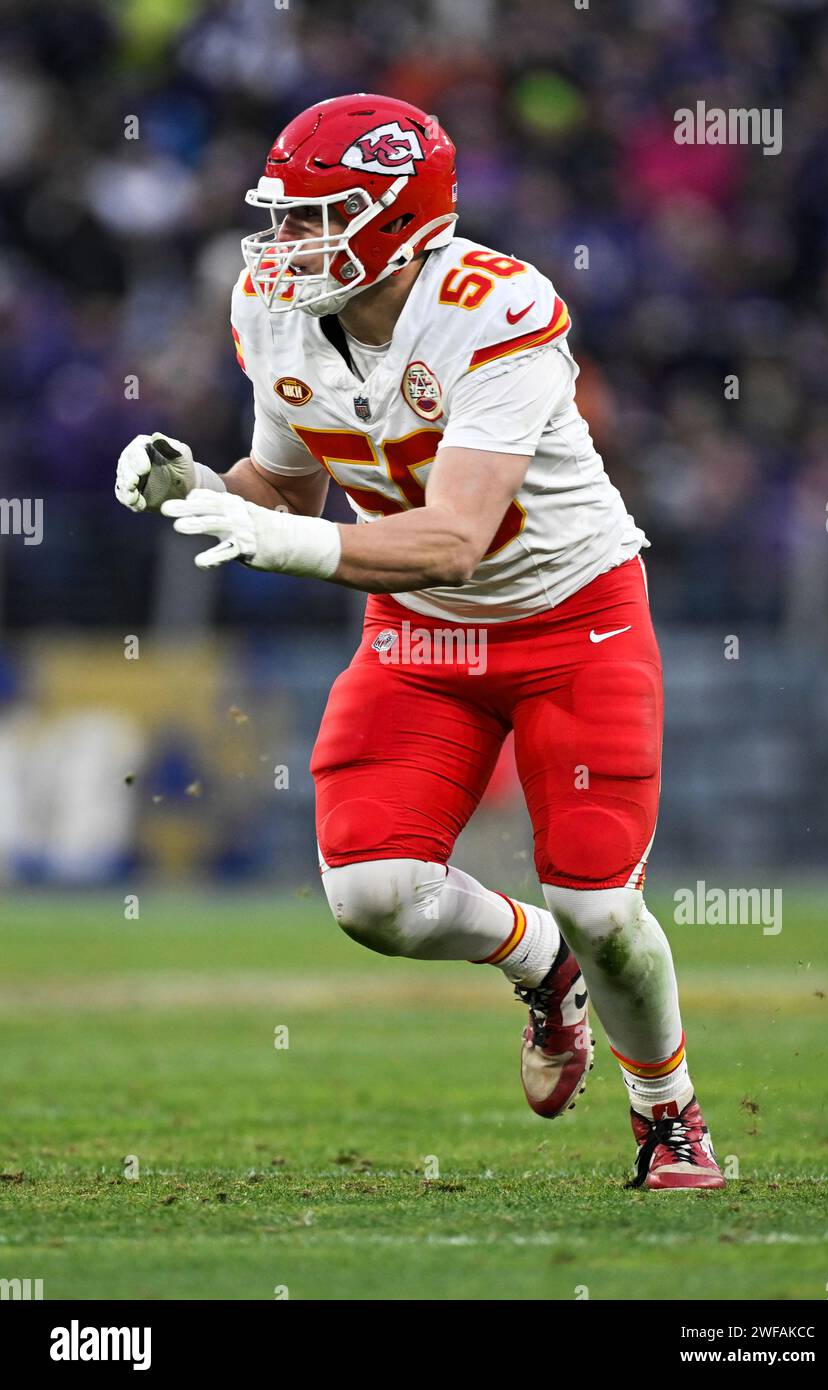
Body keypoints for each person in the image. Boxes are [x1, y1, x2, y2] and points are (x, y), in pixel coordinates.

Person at [115, 93, 724, 1190]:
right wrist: (196, 487)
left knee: (600, 905)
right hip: (425, 638)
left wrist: (275, 538)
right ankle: (538, 964)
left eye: (317, 216)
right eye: (285, 217)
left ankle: (666, 1110)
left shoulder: (495, 306)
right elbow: (286, 485)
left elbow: (451, 537)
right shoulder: (272, 305)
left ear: (400, 218)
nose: (286, 244)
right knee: (371, 897)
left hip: (571, 622)